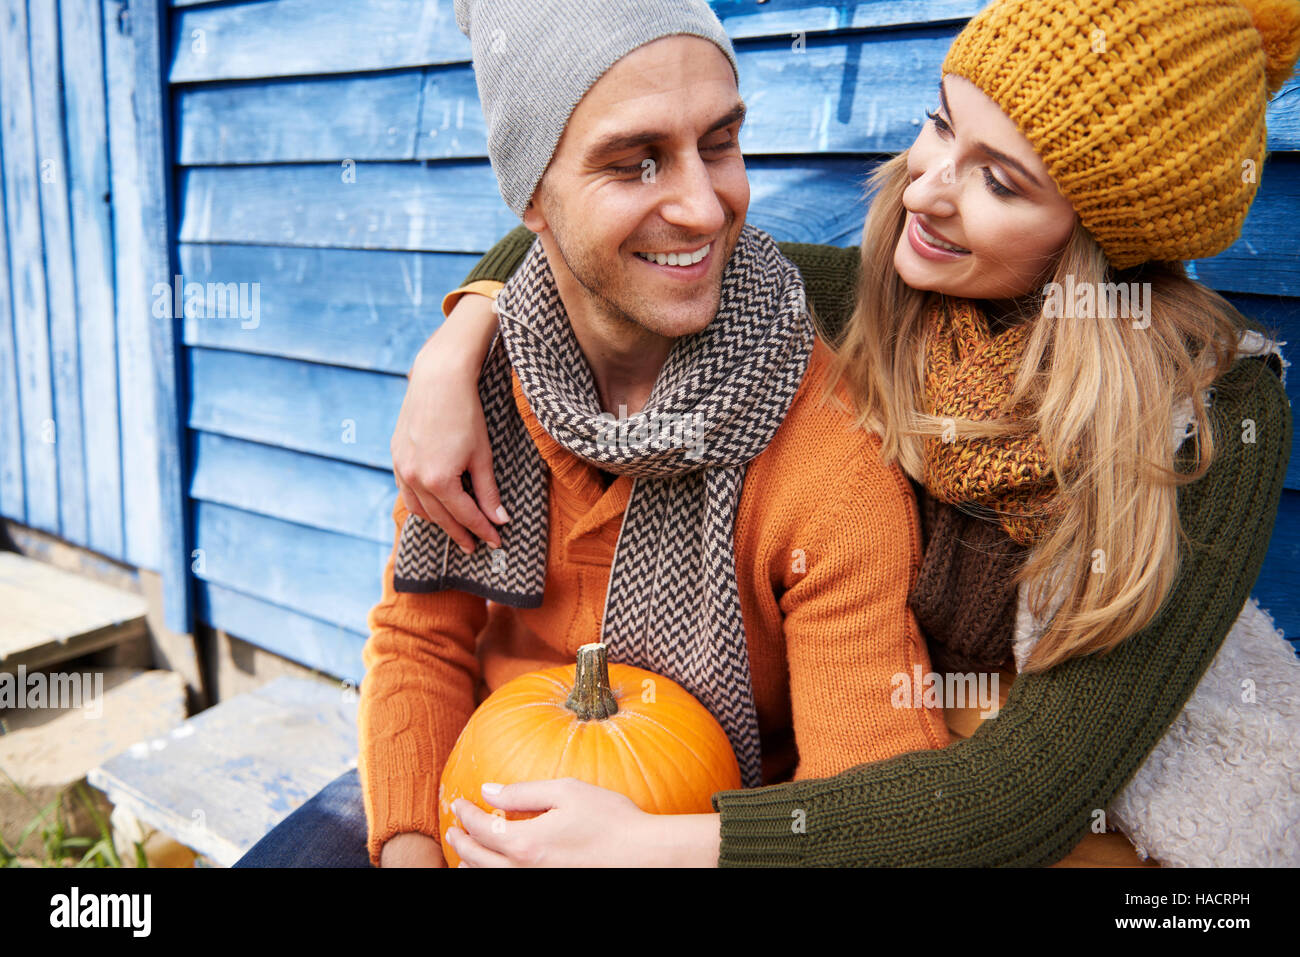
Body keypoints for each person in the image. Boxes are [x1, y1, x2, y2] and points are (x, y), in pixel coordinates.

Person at [393, 0, 1300, 866]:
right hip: (889, 787)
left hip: (1104, 816)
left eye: (998, 179)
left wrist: (653, 848)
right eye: (941, 125)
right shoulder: (887, 297)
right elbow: (613, 248)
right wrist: (457, 342)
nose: (927, 191)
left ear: (1104, 228)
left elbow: (1035, 792)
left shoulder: (1211, 415)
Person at [237, 0, 953, 868]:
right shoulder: (477, 396)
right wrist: (417, 855)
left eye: (719, 144)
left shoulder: (828, 457)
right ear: (532, 195)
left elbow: (867, 807)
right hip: (474, 782)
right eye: (636, 162)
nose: (703, 205)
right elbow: (420, 641)